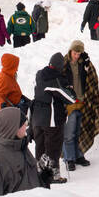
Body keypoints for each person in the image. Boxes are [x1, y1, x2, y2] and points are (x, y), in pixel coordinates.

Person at [0, 108, 42, 196]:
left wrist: (44, 178)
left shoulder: (21, 147)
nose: (26, 125)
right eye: (23, 123)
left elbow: (28, 184)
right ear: (12, 128)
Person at [31, 54, 72, 186]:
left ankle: (39, 173)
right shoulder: (56, 79)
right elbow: (71, 98)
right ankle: (53, 175)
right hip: (51, 119)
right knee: (53, 147)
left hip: (37, 118)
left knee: (40, 146)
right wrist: (69, 88)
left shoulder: (39, 74)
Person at [62, 42, 99, 172]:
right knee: (69, 134)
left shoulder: (84, 63)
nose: (77, 56)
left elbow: (93, 78)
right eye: (75, 53)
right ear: (70, 50)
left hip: (82, 102)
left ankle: (78, 156)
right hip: (70, 104)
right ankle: (69, 159)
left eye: (79, 53)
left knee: (80, 132)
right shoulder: (64, 63)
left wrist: (88, 64)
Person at [0, 53, 28, 121]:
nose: (17, 69)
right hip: (15, 107)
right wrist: (2, 106)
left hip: (19, 100)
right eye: (15, 66)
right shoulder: (3, 79)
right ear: (10, 66)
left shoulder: (10, 74)